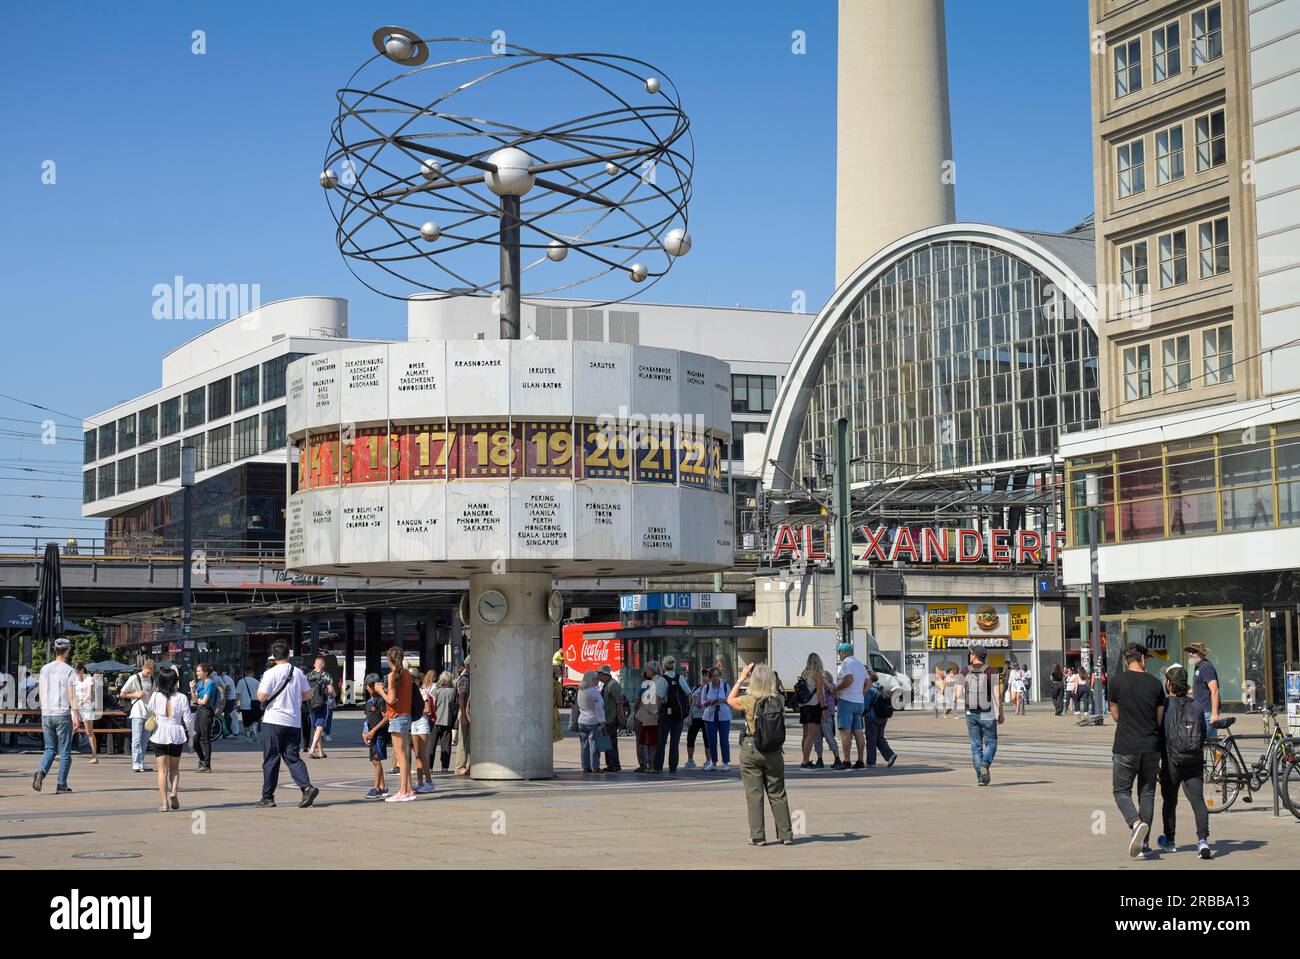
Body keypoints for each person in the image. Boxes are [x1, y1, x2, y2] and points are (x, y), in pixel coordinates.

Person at [726, 662, 794, 846]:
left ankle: (758, 836)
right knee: (778, 792)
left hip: (752, 748)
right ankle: (786, 834)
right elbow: (779, 689)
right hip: (774, 750)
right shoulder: (778, 700)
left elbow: (729, 699)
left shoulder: (748, 700)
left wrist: (741, 678)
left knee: (754, 794)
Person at [1109, 642, 1165, 858]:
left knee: (1121, 791)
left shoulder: (1116, 682)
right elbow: (1159, 719)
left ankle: (1135, 823)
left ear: (1126, 660)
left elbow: (1115, 715)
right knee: (1147, 792)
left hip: (1125, 745)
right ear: (1143, 659)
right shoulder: (1155, 684)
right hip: (1151, 745)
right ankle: (1145, 844)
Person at [1155, 664, 1212, 859]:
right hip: (1194, 760)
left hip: (1171, 760)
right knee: (1198, 801)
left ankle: (1170, 841)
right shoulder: (1196, 705)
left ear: (1169, 684)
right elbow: (1202, 733)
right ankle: (1203, 840)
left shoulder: (1166, 705)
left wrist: (1159, 761)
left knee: (1170, 802)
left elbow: (1160, 734)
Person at [254, 640, 319, 808]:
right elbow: (307, 695)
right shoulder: (298, 672)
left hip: (274, 720)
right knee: (292, 757)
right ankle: (306, 787)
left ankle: (267, 797)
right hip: (293, 721)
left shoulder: (270, 673)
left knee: (271, 759)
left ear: (273, 656)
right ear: (288, 654)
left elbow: (261, 696)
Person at [32, 637, 80, 794]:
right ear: (67, 651)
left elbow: (41, 691)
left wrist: (45, 709)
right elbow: (72, 696)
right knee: (65, 751)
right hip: (62, 714)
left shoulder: (45, 669)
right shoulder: (69, 671)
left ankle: (41, 772)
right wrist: (76, 715)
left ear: (55, 650)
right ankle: (61, 784)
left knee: (50, 748)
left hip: (47, 713)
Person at [376, 648, 421, 800]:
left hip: (396, 717)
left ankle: (403, 791)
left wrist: (380, 690)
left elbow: (391, 700)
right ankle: (408, 789)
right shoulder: (407, 675)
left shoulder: (391, 676)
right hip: (407, 716)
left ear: (390, 660)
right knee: (405, 755)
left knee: (400, 755)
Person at [147, 666, 193, 812]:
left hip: (160, 733)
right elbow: (188, 719)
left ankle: (164, 803)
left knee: (162, 771)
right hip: (176, 733)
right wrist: (191, 735)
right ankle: (174, 791)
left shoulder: (155, 696)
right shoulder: (181, 697)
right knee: (174, 768)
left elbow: (149, 710)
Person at [963, 646, 1004, 786]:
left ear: (975, 656)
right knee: (991, 742)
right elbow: (997, 695)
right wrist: (1001, 713)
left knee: (976, 746)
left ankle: (981, 778)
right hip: (987, 712)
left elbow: (956, 693)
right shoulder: (991, 670)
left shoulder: (965, 670)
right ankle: (985, 763)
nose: (970, 655)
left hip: (970, 712)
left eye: (971, 653)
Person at [653, 655, 693, 773]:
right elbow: (689, 693)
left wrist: (657, 711)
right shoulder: (680, 678)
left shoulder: (662, 679)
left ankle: (658, 766)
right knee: (674, 742)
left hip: (665, 712)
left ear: (663, 666)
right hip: (678, 713)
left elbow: (659, 697)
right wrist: (686, 708)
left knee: (661, 741)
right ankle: (673, 767)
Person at [832, 642, 868, 769]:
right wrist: (861, 693)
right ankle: (860, 760)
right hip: (859, 702)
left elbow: (849, 679)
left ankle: (846, 760)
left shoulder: (846, 663)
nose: (839, 655)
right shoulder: (860, 664)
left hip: (846, 700)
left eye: (839, 652)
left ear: (845, 652)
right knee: (858, 731)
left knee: (844, 731)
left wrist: (836, 690)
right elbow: (869, 681)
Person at [119, 660, 156, 773]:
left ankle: (141, 761)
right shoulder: (134, 678)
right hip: (137, 712)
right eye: (148, 672)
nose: (149, 674)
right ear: (144, 667)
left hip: (148, 713)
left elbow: (154, 695)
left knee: (145, 740)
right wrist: (135, 695)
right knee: (136, 739)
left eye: (151, 672)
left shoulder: (152, 679)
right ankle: (135, 762)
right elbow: (122, 693)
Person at [361, 673, 391, 799]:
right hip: (371, 735)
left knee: (376, 760)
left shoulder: (381, 700)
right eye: (368, 685)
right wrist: (364, 732)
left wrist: (374, 731)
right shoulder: (368, 702)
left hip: (379, 735)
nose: (370, 688)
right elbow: (367, 719)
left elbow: (386, 718)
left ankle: (376, 788)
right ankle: (383, 788)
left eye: (372, 685)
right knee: (375, 761)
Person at [796, 653, 827, 769]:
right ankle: (805, 761)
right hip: (814, 706)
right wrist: (824, 708)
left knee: (805, 735)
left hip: (804, 706)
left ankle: (805, 759)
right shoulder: (817, 674)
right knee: (811, 735)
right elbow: (819, 693)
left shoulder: (804, 673)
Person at [572, 670, 606, 773]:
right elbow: (598, 708)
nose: (598, 680)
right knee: (594, 745)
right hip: (593, 721)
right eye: (596, 678)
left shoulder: (580, 690)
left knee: (584, 745)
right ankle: (595, 766)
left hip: (582, 721)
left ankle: (585, 766)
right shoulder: (593, 691)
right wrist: (602, 722)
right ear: (591, 679)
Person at [189, 663, 220, 772]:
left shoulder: (210, 683)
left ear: (205, 672)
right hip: (200, 711)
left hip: (207, 712)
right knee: (195, 738)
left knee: (205, 738)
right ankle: (202, 759)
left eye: (198, 671)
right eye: (196, 671)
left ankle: (207, 765)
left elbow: (204, 701)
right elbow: (195, 699)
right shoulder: (199, 683)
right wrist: (192, 689)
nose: (196, 673)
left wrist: (198, 700)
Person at [1185, 642, 1220, 738]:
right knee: (1212, 743)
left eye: (1193, 652)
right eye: (1190, 652)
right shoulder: (1199, 667)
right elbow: (1199, 688)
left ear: (1201, 654)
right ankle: (1221, 753)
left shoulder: (1206, 667)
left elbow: (1215, 690)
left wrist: (1214, 713)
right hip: (1202, 712)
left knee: (1197, 741)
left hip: (1207, 713)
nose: (1190, 654)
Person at [700, 666, 732, 771]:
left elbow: (731, 701)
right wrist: (710, 702)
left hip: (724, 715)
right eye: (713, 676)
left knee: (724, 739)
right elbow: (702, 702)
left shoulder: (726, 687)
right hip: (710, 716)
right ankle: (713, 762)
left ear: (720, 676)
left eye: (717, 675)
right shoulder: (706, 687)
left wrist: (722, 700)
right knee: (712, 740)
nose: (715, 678)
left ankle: (726, 763)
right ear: (710, 677)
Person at [863, 671, 897, 768]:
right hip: (883, 716)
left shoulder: (869, 689)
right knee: (879, 737)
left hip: (872, 716)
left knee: (871, 739)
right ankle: (890, 755)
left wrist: (861, 713)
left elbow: (866, 705)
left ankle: (871, 761)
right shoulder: (881, 687)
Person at [306, 655, 335, 760]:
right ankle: (312, 749)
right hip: (322, 703)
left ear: (315, 664)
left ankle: (321, 751)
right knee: (320, 725)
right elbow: (331, 690)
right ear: (323, 665)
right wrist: (332, 697)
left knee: (316, 727)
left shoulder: (308, 675)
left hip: (311, 703)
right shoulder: (325, 675)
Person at [411, 670, 435, 793]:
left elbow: (427, 709)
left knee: (422, 754)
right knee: (417, 754)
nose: (412, 680)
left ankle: (429, 782)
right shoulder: (409, 693)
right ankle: (420, 781)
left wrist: (415, 710)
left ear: (418, 680)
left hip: (421, 722)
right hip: (413, 723)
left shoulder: (422, 692)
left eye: (414, 678)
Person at [596, 664, 624, 773]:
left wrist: (620, 717)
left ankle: (615, 764)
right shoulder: (607, 685)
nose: (598, 677)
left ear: (605, 674)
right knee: (607, 742)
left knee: (611, 742)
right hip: (607, 717)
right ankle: (610, 764)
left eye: (600, 674)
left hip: (611, 717)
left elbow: (619, 702)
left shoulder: (613, 685)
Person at [812, 669, 841, 768]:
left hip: (827, 713)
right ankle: (819, 760)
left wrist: (822, 679)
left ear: (828, 678)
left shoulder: (832, 686)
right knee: (817, 738)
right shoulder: (818, 687)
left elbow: (832, 689)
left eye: (824, 677)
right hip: (817, 713)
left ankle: (837, 759)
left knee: (829, 737)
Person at [633, 664, 660, 773]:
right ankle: (650, 764)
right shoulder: (654, 682)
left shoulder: (651, 683)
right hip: (649, 716)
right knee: (649, 742)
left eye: (647, 669)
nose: (645, 671)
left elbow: (643, 700)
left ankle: (650, 765)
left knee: (649, 742)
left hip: (649, 716)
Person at [72, 664, 100, 765]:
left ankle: (94, 755)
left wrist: (82, 702)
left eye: (77, 671)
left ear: (82, 670)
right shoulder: (74, 680)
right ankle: (62, 753)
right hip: (76, 705)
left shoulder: (88, 679)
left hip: (86, 705)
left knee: (89, 731)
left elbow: (88, 694)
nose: (76, 673)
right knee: (72, 728)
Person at [433, 671, 457, 772]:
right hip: (447, 721)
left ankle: (430, 767)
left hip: (435, 721)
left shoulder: (436, 690)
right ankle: (445, 767)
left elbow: (432, 705)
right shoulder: (453, 692)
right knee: (446, 746)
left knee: (431, 745)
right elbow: (455, 708)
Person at [454, 657, 472, 776]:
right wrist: (464, 716)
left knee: (469, 740)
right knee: (463, 741)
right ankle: (460, 766)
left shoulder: (468, 677)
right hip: (465, 712)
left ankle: (469, 766)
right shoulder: (465, 678)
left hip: (467, 712)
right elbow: (462, 697)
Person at [236, 665, 261, 742]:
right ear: (252, 673)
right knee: (255, 719)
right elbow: (260, 693)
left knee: (246, 722)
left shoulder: (241, 681)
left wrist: (236, 703)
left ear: (245, 673)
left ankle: (248, 736)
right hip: (255, 704)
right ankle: (253, 728)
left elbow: (238, 694)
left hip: (244, 705)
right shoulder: (257, 682)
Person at [219, 667, 238, 733]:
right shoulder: (227, 677)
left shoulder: (225, 678)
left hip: (229, 699)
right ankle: (229, 729)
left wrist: (224, 695)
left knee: (228, 715)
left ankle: (229, 730)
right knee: (228, 714)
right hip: (230, 698)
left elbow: (228, 688)